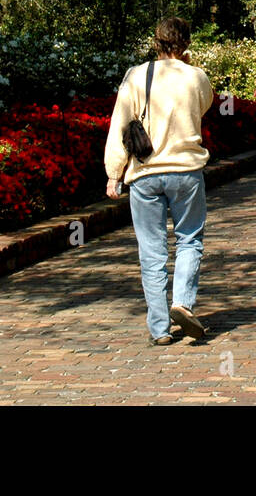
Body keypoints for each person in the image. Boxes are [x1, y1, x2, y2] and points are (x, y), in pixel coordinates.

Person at [104, 17, 214, 346]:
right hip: (186, 170)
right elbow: (204, 106)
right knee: (189, 240)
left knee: (151, 252)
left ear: (156, 42)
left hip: (145, 174)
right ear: (187, 43)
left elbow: (121, 124)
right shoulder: (197, 76)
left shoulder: (136, 76)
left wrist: (114, 172)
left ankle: (160, 328)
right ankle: (183, 302)